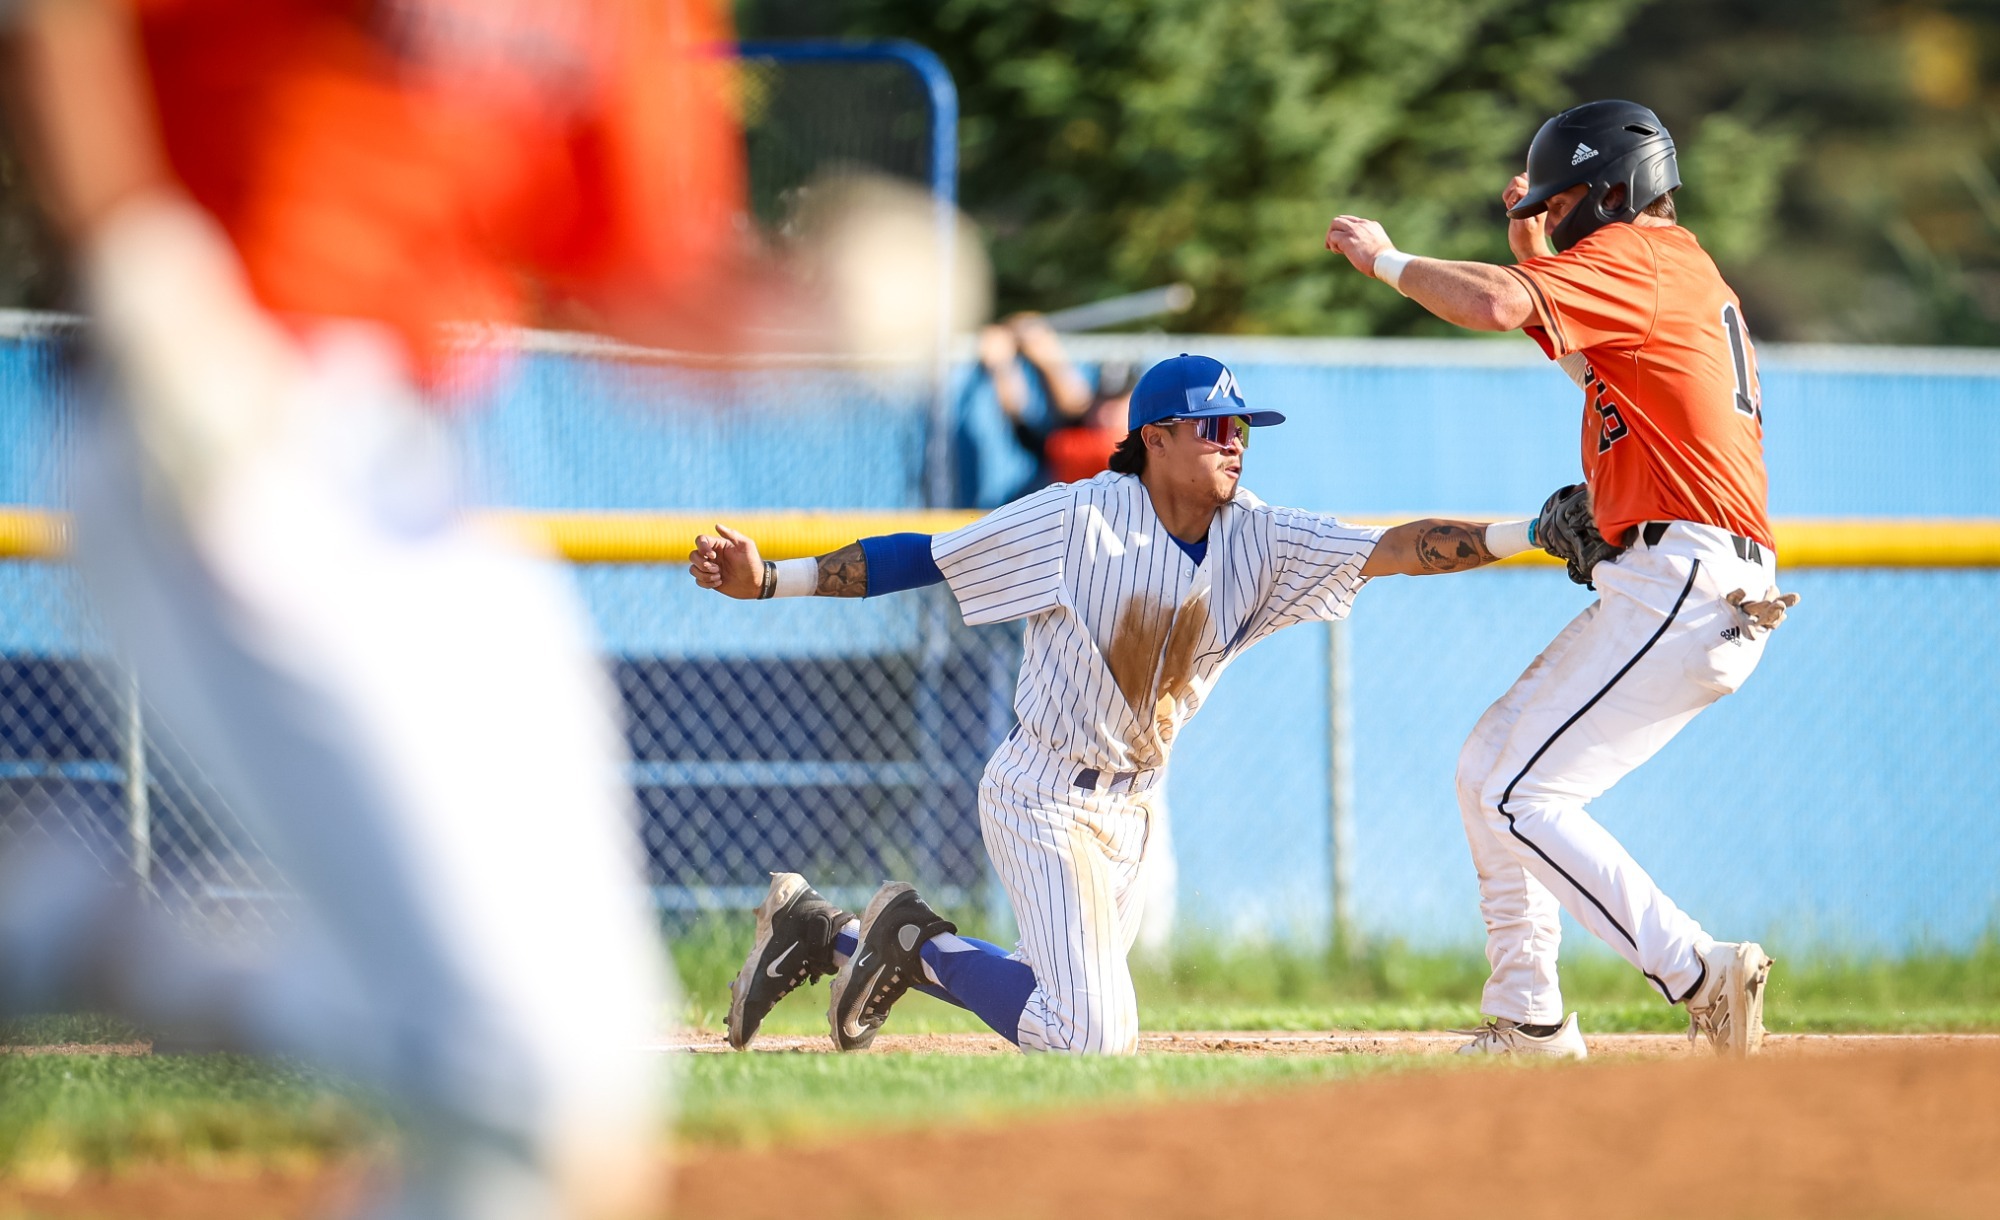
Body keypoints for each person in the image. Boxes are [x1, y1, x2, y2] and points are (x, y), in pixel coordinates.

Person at [0, 1, 803, 1214]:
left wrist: (805, 314)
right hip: (224, 420)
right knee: (518, 1066)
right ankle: (87, 936)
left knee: (574, 1105)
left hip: (418, 472)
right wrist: (136, 255)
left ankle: (90, 939)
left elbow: (642, 284)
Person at [691, 353, 1542, 1054]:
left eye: (1244, 429)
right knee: (1093, 1036)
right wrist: (773, 580)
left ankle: (829, 930)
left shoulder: (1260, 535)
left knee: (1053, 998)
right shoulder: (1079, 521)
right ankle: (906, 938)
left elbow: (1394, 549)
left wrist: (1527, 535)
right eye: (1216, 427)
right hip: (1045, 793)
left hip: (1133, 808)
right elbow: (932, 556)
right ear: (1158, 436)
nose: (1236, 443)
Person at [1324, 100, 1798, 1059]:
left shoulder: (1645, 256)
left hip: (1687, 579)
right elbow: (1591, 357)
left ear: (1613, 192)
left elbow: (1497, 305)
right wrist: (1536, 241)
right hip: (1672, 575)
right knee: (1487, 768)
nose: (1559, 211)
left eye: (1567, 194)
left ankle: (1700, 970)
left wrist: (1384, 258)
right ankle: (1530, 1013)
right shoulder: (1664, 271)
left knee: (1519, 795)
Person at [978, 312, 1140, 495]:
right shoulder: (1099, 433)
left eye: (1116, 404)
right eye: (1101, 401)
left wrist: (1004, 367)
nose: (1104, 413)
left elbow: (1071, 413)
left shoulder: (1113, 447)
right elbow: (1075, 413)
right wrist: (1044, 353)